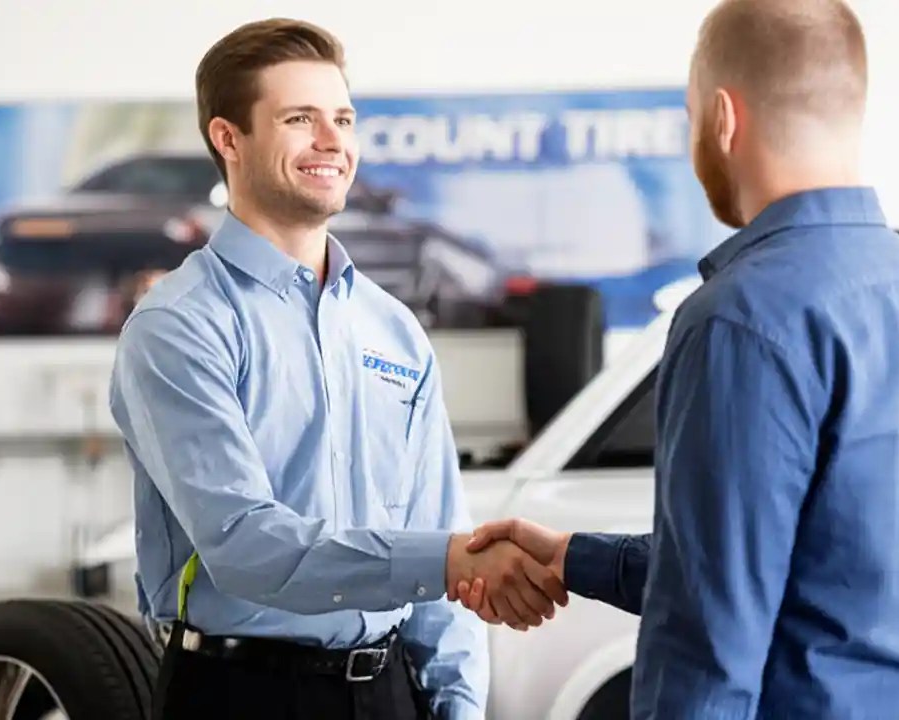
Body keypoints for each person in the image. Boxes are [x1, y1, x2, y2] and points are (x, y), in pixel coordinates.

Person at [454, 1, 899, 718]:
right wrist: (575, 556)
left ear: (721, 118)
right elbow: (808, 569)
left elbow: (709, 639)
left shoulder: (741, 318)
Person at [108, 18, 566, 720]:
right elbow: (246, 545)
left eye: (343, 118)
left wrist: (458, 704)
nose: (333, 142)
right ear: (229, 138)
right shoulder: (181, 325)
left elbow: (438, 517)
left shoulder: (392, 329)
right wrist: (450, 561)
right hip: (240, 695)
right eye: (300, 118)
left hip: (387, 691)